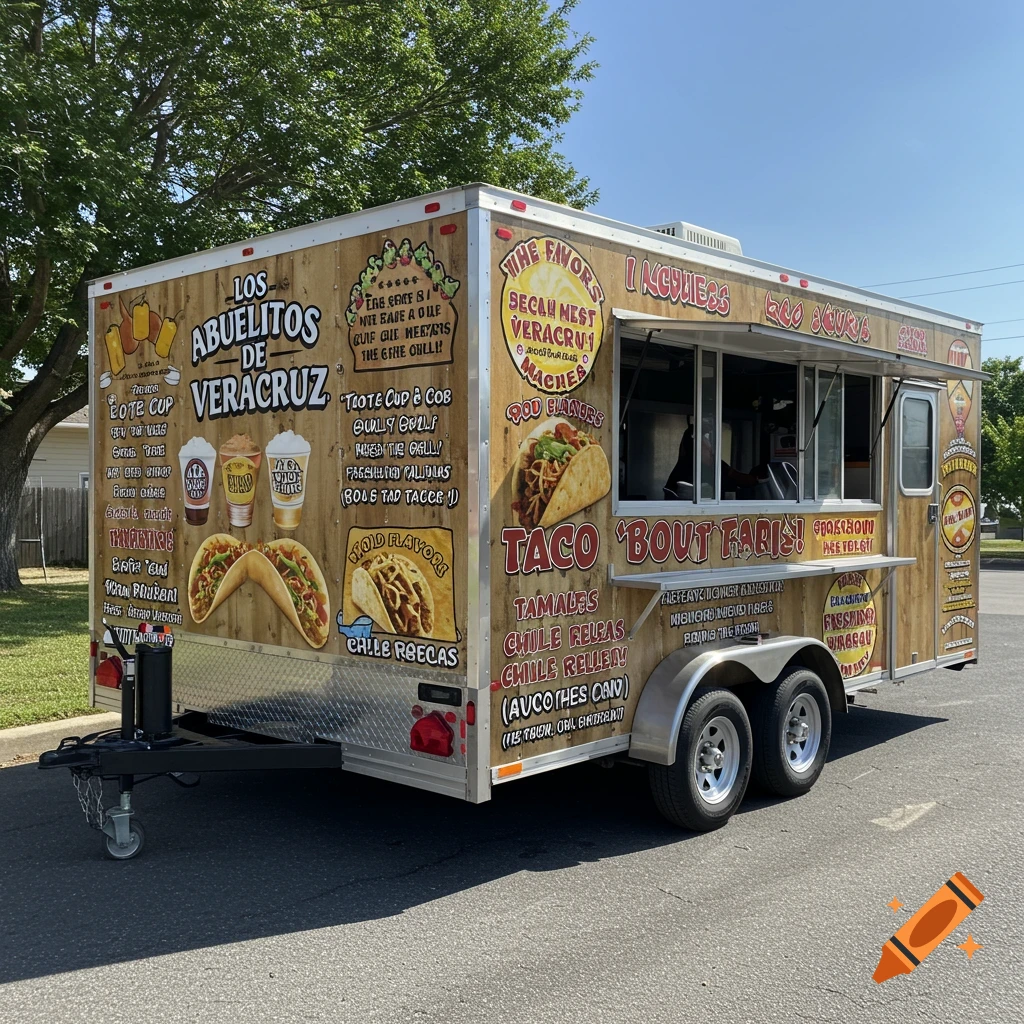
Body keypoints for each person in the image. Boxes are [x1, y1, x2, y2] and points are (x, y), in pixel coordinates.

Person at [664, 425, 762, 496]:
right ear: (695, 450)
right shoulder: (690, 469)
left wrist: (756, 480)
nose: (712, 453)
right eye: (708, 450)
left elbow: (735, 476)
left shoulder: (715, 465)